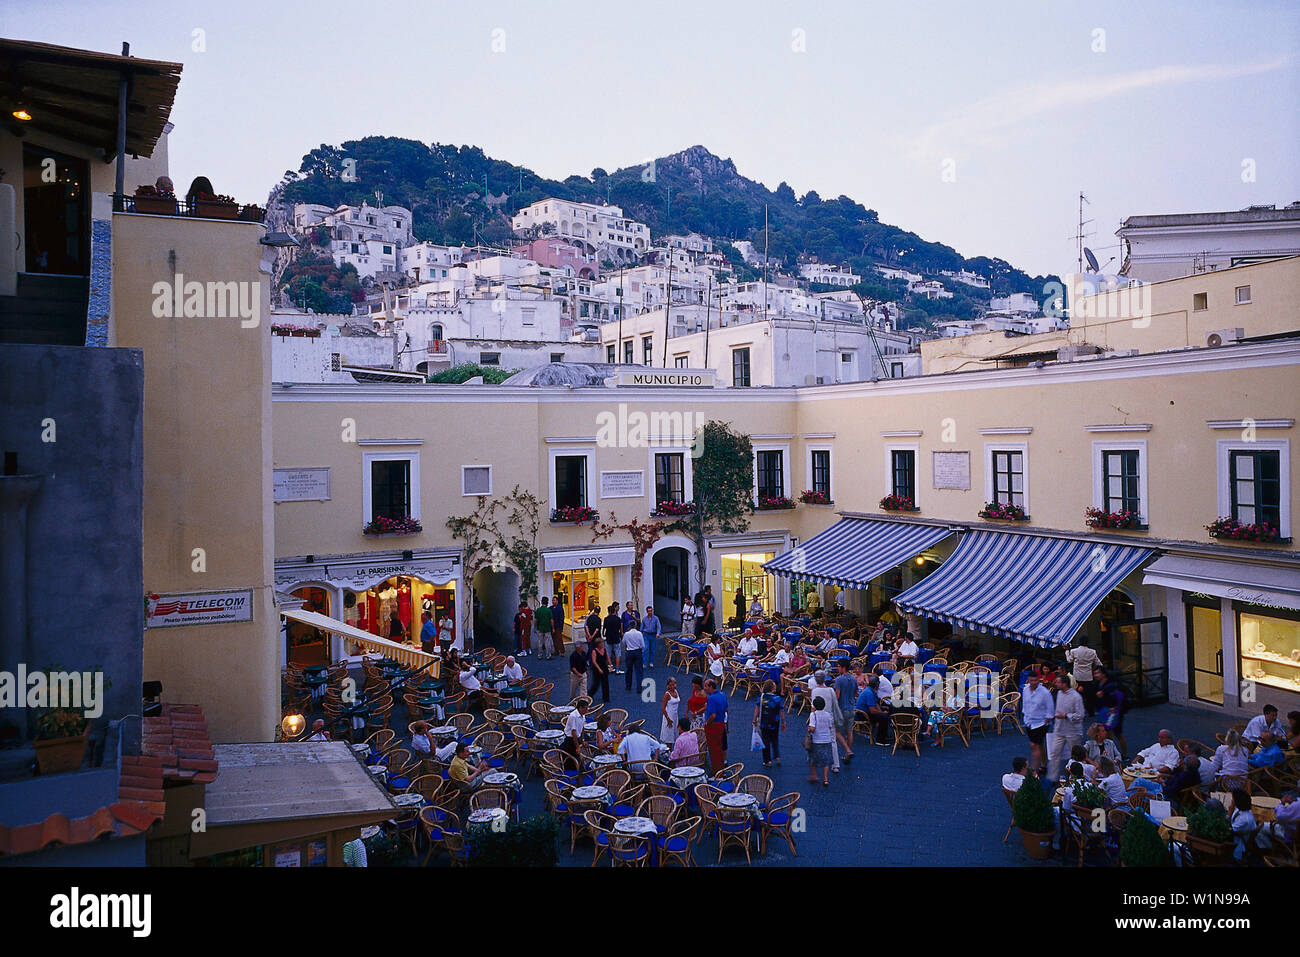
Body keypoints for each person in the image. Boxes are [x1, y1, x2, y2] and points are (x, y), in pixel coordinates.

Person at [1047, 674, 1086, 784]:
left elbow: (1081, 715)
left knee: (1076, 757)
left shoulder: (1076, 696)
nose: (1056, 683)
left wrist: (1065, 716)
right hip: (1059, 730)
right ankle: (1052, 778)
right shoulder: (1059, 693)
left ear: (1064, 684)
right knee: (1054, 754)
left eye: (1058, 682)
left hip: (1073, 732)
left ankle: (1076, 779)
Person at [1021, 670, 1054, 776]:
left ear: (1038, 680)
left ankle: (1033, 770)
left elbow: (1050, 708)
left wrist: (1047, 720)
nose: (1033, 682)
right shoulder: (1025, 690)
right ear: (1028, 680)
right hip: (1029, 722)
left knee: (1033, 745)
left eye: (1035, 680)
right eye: (1031, 680)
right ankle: (1044, 765)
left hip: (1041, 723)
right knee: (1040, 745)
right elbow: (1025, 704)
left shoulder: (1045, 692)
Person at [1093, 666, 1128, 760]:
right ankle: (1113, 754)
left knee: (1117, 734)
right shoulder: (1098, 684)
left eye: (1097, 673)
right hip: (1105, 713)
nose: (1095, 675)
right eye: (1095, 673)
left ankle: (1124, 755)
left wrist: (1102, 697)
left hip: (1114, 713)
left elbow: (1114, 699)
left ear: (1103, 674)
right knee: (1107, 734)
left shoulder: (1112, 685)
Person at [1064, 639, 1102, 714]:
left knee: (1077, 695)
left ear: (1079, 643)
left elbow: (1069, 660)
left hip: (1077, 677)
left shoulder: (1074, 651)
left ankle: (1079, 712)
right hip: (1088, 677)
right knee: (1089, 696)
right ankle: (1091, 712)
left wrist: (1067, 651)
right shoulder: (1092, 651)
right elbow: (1099, 664)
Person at [754, 679, 785, 767]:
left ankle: (767, 761)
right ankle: (777, 756)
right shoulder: (778, 699)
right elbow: (781, 711)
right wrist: (783, 722)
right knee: (775, 739)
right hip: (775, 721)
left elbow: (757, 709)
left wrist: (754, 719)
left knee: (765, 740)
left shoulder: (761, 697)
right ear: (772, 688)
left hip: (764, 721)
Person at [833, 659, 858, 760]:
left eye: (838, 666)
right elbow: (856, 693)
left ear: (843, 667)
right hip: (851, 708)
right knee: (849, 731)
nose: (837, 668)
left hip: (842, 708)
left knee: (836, 731)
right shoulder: (853, 678)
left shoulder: (839, 679)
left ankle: (847, 750)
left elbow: (837, 696)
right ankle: (848, 753)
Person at [807, 696, 835, 787]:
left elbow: (812, 727)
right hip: (827, 739)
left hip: (816, 740)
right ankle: (826, 779)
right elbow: (830, 726)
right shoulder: (828, 715)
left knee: (813, 759)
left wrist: (809, 729)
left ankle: (814, 775)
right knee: (825, 760)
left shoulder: (813, 714)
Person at [855, 675, 891, 745]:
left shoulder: (871, 690)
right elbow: (872, 710)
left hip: (866, 710)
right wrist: (882, 713)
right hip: (862, 714)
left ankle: (884, 734)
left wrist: (882, 711)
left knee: (886, 710)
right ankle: (880, 740)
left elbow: (876, 703)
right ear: (877, 685)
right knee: (883, 717)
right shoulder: (869, 693)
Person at [703, 677, 728, 772]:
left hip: (713, 726)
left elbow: (713, 715)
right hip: (721, 724)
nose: (704, 688)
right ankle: (721, 770)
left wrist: (707, 723)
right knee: (720, 748)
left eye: (706, 686)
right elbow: (726, 710)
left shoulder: (711, 698)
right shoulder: (722, 695)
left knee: (714, 751)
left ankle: (717, 773)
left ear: (710, 687)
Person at [561, 700, 589, 772]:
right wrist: (577, 747)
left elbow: (582, 728)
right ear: (580, 708)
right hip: (570, 740)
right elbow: (573, 732)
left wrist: (582, 741)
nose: (587, 710)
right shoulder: (573, 716)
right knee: (574, 762)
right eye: (585, 708)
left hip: (577, 738)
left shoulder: (583, 715)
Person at [1229, 789, 1256, 861]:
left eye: (1233, 799)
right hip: (1235, 835)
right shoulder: (1239, 809)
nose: (1232, 800)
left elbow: (1229, 830)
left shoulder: (1244, 819)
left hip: (1238, 844)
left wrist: (1229, 813)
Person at [622, 619, 645, 692]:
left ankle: (628, 686)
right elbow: (643, 645)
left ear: (629, 626)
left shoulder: (626, 634)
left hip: (629, 652)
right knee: (639, 671)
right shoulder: (639, 634)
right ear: (635, 626)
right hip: (638, 652)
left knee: (629, 670)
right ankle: (639, 688)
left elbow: (623, 643)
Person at [588, 636, 611, 704]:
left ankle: (606, 697)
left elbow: (608, 658)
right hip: (597, 669)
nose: (603, 644)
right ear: (598, 644)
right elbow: (594, 661)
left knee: (605, 683)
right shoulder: (594, 651)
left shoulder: (604, 650)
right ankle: (590, 693)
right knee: (596, 683)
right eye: (602, 643)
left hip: (604, 668)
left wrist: (610, 665)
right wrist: (599, 669)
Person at [603, 603, 624, 675]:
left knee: (608, 653)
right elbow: (619, 628)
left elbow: (604, 628)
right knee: (618, 653)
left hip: (609, 637)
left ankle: (610, 666)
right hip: (616, 637)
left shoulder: (606, 619)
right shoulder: (618, 619)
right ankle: (617, 669)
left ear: (608, 611)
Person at [660, 676, 680, 744]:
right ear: (668, 685)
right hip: (669, 716)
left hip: (675, 716)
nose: (673, 686)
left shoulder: (676, 692)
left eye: (674, 684)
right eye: (671, 685)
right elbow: (663, 708)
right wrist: (668, 719)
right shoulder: (667, 695)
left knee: (674, 735)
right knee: (669, 738)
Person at [642, 606, 661, 670]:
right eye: (649, 611)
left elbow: (658, 626)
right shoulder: (644, 619)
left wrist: (658, 633)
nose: (650, 612)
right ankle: (644, 663)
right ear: (647, 611)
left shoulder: (656, 618)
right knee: (646, 649)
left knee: (652, 649)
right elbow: (642, 627)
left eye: (651, 611)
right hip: (646, 635)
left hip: (653, 635)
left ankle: (651, 662)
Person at [551, 592, 566, 656]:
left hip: (558, 626)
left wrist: (561, 627)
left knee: (559, 639)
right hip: (552, 626)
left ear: (557, 601)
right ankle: (556, 650)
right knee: (554, 639)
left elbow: (561, 618)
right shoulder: (551, 608)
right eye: (552, 600)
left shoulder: (559, 608)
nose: (553, 601)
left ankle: (562, 651)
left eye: (554, 600)